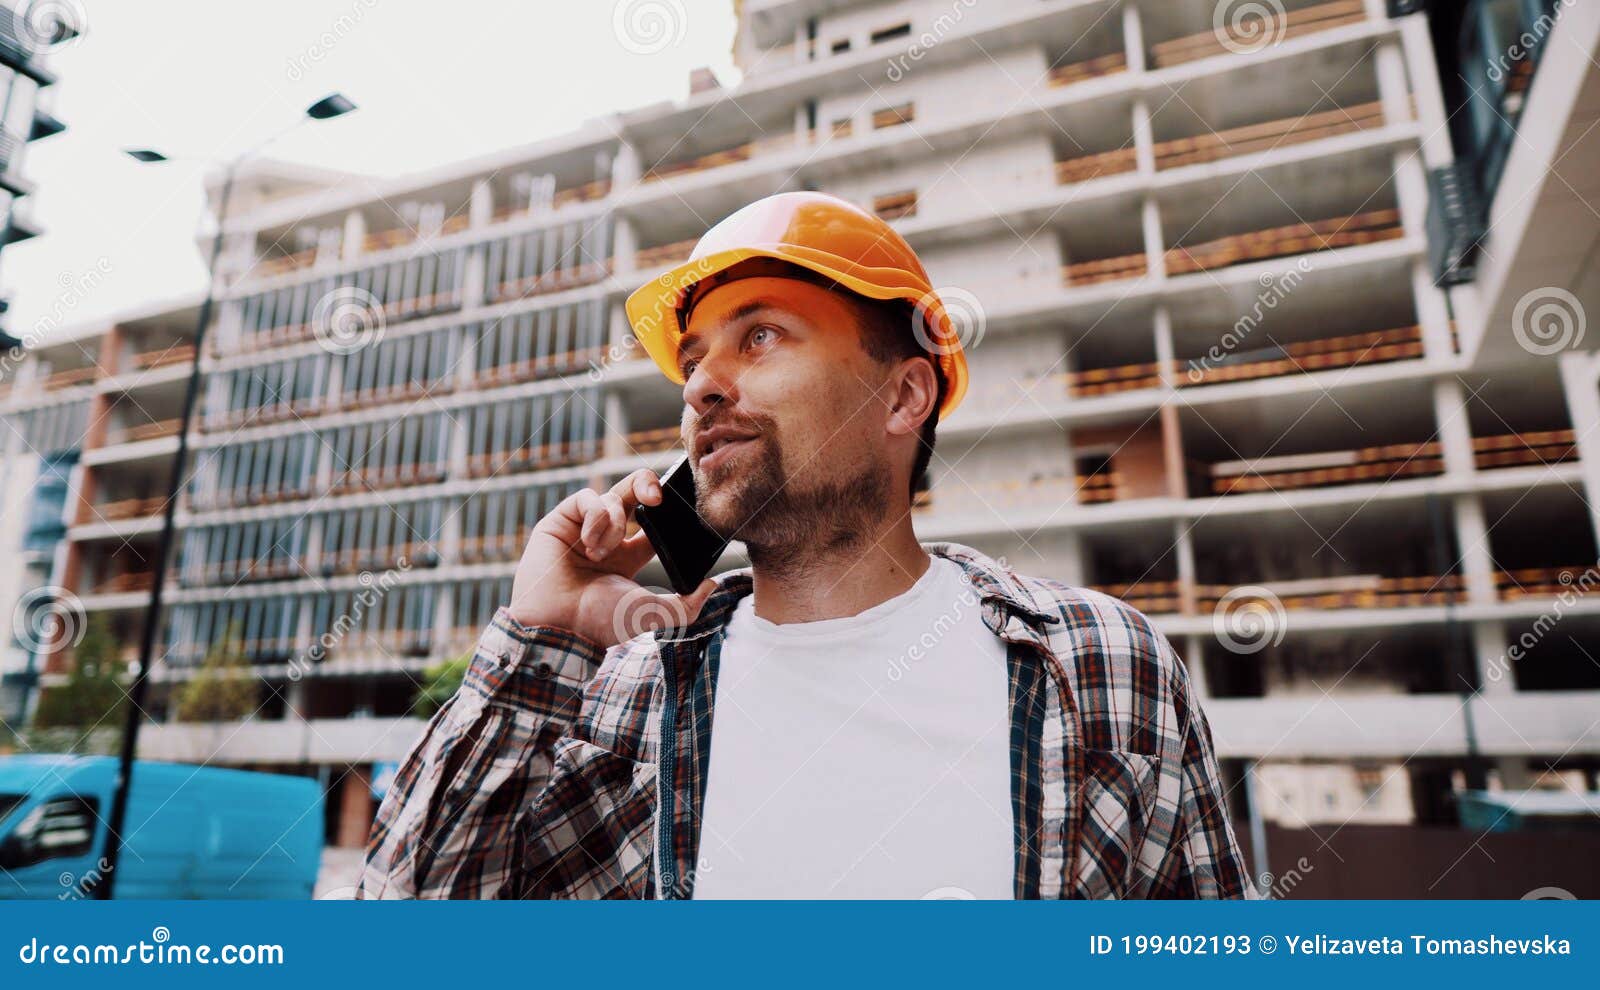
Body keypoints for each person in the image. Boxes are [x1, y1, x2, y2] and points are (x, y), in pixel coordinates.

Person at [357, 191, 1255, 899]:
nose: (702, 385)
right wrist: (539, 636)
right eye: (696, 359)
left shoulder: (1101, 666)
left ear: (905, 398)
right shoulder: (626, 695)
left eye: (761, 336)